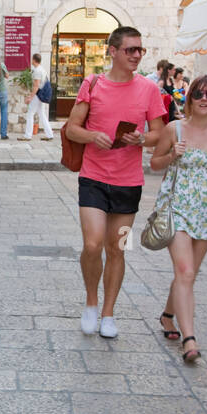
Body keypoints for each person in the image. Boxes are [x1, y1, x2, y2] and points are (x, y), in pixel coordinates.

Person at [63, 26, 167, 338]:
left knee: (117, 248)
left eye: (140, 50)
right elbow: (71, 129)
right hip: (94, 177)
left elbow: (159, 133)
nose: (136, 55)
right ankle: (91, 303)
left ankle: (108, 313)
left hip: (129, 182)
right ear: (113, 51)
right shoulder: (92, 84)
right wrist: (93, 135)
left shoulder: (148, 89)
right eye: (130, 50)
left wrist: (141, 139)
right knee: (93, 244)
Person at [149, 75, 207, 364]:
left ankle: (167, 315)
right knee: (186, 270)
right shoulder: (174, 129)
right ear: (189, 98)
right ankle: (190, 340)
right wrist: (172, 155)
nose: (204, 98)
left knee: (188, 274)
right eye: (199, 93)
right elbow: (154, 163)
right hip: (177, 206)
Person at [22, 52, 54, 141]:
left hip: (38, 94)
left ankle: (28, 135)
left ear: (34, 60)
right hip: (41, 94)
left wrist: (30, 97)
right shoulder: (42, 69)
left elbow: (36, 86)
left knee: (30, 113)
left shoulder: (37, 71)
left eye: (32, 59)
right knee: (42, 114)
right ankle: (49, 134)